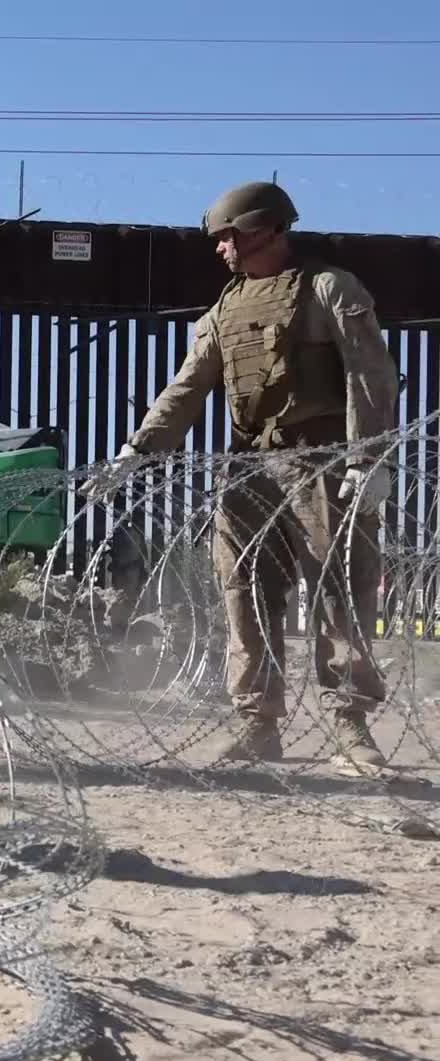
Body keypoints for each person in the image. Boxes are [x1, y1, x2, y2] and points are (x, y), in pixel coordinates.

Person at [84, 180, 401, 775]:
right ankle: (257, 725)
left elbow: (369, 375)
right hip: (248, 468)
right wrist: (138, 448)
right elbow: (187, 387)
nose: (221, 247)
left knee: (340, 596)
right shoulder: (224, 309)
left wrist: (368, 458)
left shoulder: (328, 288)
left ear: (270, 230)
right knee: (246, 597)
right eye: (221, 237)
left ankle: (350, 729)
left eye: (231, 235)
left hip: (323, 463)